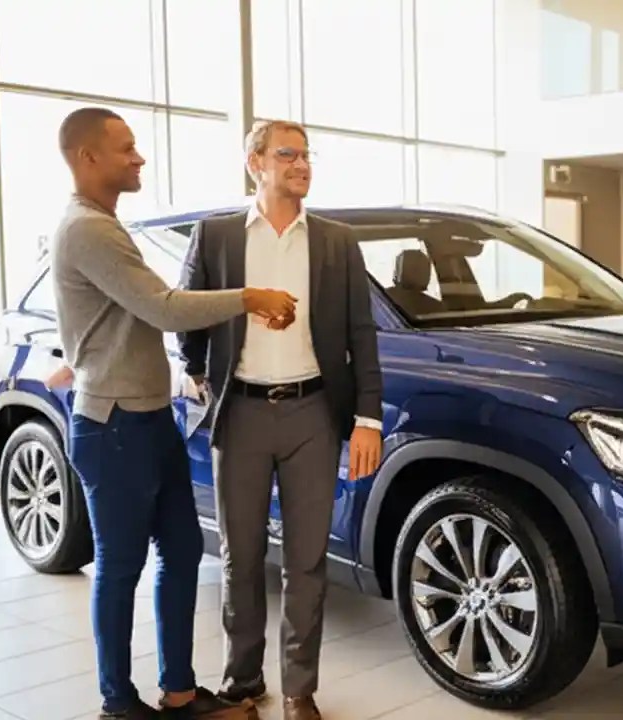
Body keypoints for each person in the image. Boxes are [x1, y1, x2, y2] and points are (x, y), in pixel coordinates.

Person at [51, 106, 297, 719]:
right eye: (126, 148)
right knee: (120, 566)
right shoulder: (87, 229)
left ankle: (180, 692)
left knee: (184, 551)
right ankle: (117, 702)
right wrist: (251, 297)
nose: (139, 157)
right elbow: (162, 307)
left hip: (151, 417)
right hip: (115, 425)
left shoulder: (106, 225)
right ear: (87, 157)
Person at [177, 119, 384, 720]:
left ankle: (299, 689)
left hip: (313, 415)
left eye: (306, 155)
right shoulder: (216, 235)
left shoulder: (336, 242)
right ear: (256, 163)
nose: (302, 164)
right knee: (240, 557)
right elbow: (188, 314)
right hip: (240, 413)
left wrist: (367, 419)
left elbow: (361, 334)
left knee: (307, 561)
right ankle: (242, 680)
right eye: (288, 154)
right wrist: (198, 373)